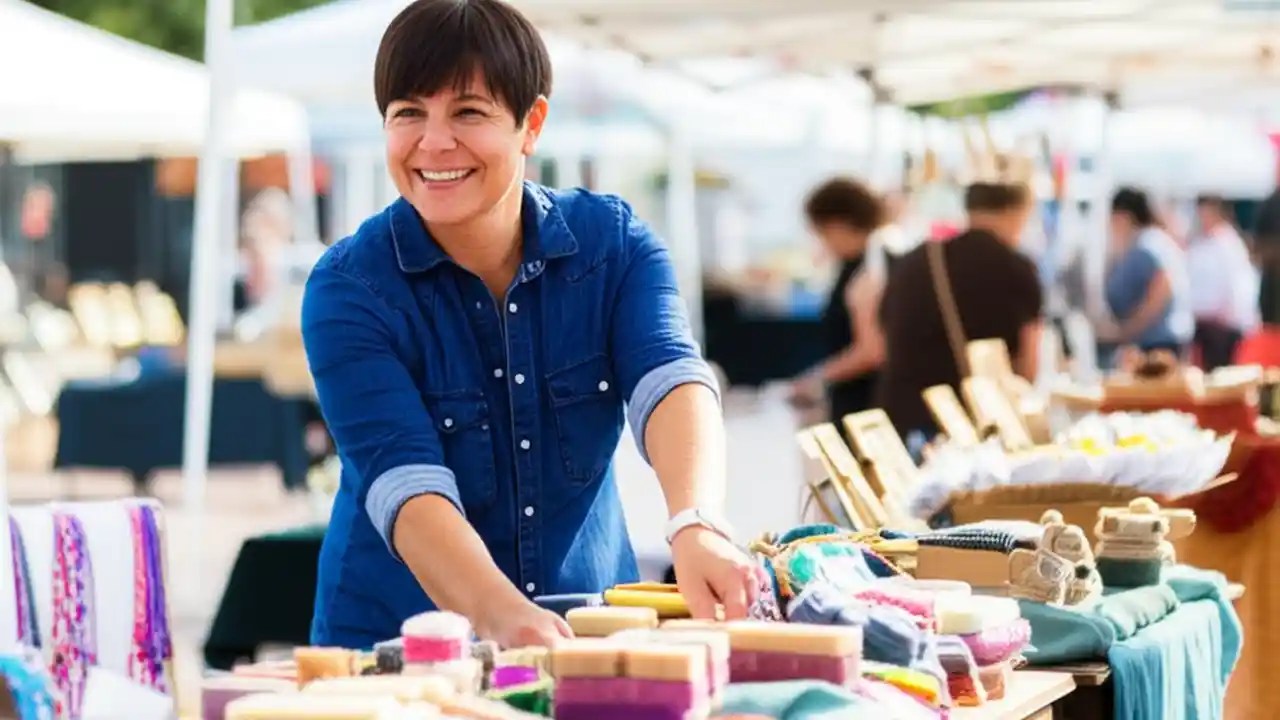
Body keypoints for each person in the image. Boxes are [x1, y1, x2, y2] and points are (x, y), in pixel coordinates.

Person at [300, 0, 756, 651]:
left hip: (597, 624)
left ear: (531, 123)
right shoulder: (349, 287)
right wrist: (497, 614)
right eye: (408, 114)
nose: (433, 142)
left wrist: (697, 520)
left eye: (468, 112)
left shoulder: (613, 244)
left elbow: (671, 377)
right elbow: (404, 480)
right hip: (396, 646)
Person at [877, 182, 1043, 440]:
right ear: (1016, 212)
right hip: (974, 425)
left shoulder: (914, 262)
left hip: (904, 419)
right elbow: (1028, 365)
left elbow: (884, 333)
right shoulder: (1018, 268)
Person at [788, 178, 885, 424]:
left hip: (865, 403)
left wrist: (816, 377)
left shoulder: (868, 272)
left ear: (838, 225)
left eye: (822, 232)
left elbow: (871, 350)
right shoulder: (864, 263)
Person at [1098, 187, 1193, 368]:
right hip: (1164, 341)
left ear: (1124, 215)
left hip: (1157, 345)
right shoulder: (1155, 240)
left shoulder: (1147, 244)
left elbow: (1163, 285)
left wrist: (1130, 329)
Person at [1188, 195, 1258, 369]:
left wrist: (1226, 315)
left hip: (1225, 326)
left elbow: (1237, 286)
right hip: (1203, 325)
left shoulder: (1230, 244)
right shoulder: (1200, 244)